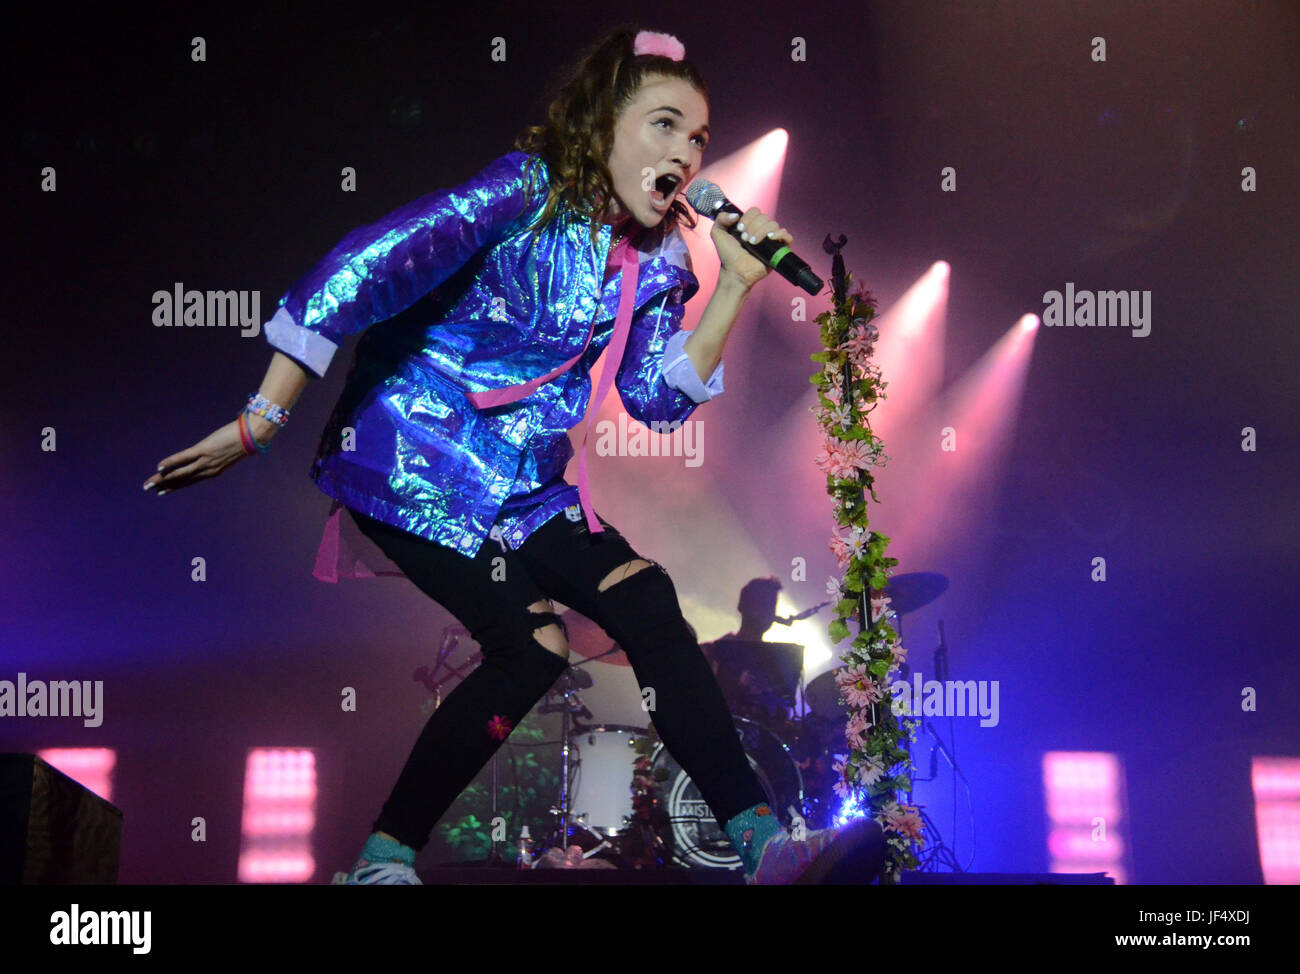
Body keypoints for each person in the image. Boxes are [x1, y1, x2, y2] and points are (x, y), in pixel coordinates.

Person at [141, 25, 884, 885]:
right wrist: (262, 418)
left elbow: (655, 399)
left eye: (699, 139)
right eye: (665, 125)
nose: (686, 153)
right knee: (531, 649)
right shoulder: (525, 190)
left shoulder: (662, 257)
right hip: (411, 455)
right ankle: (383, 863)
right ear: (603, 123)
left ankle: (765, 850)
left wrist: (737, 286)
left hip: (525, 486)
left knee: (645, 599)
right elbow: (374, 262)